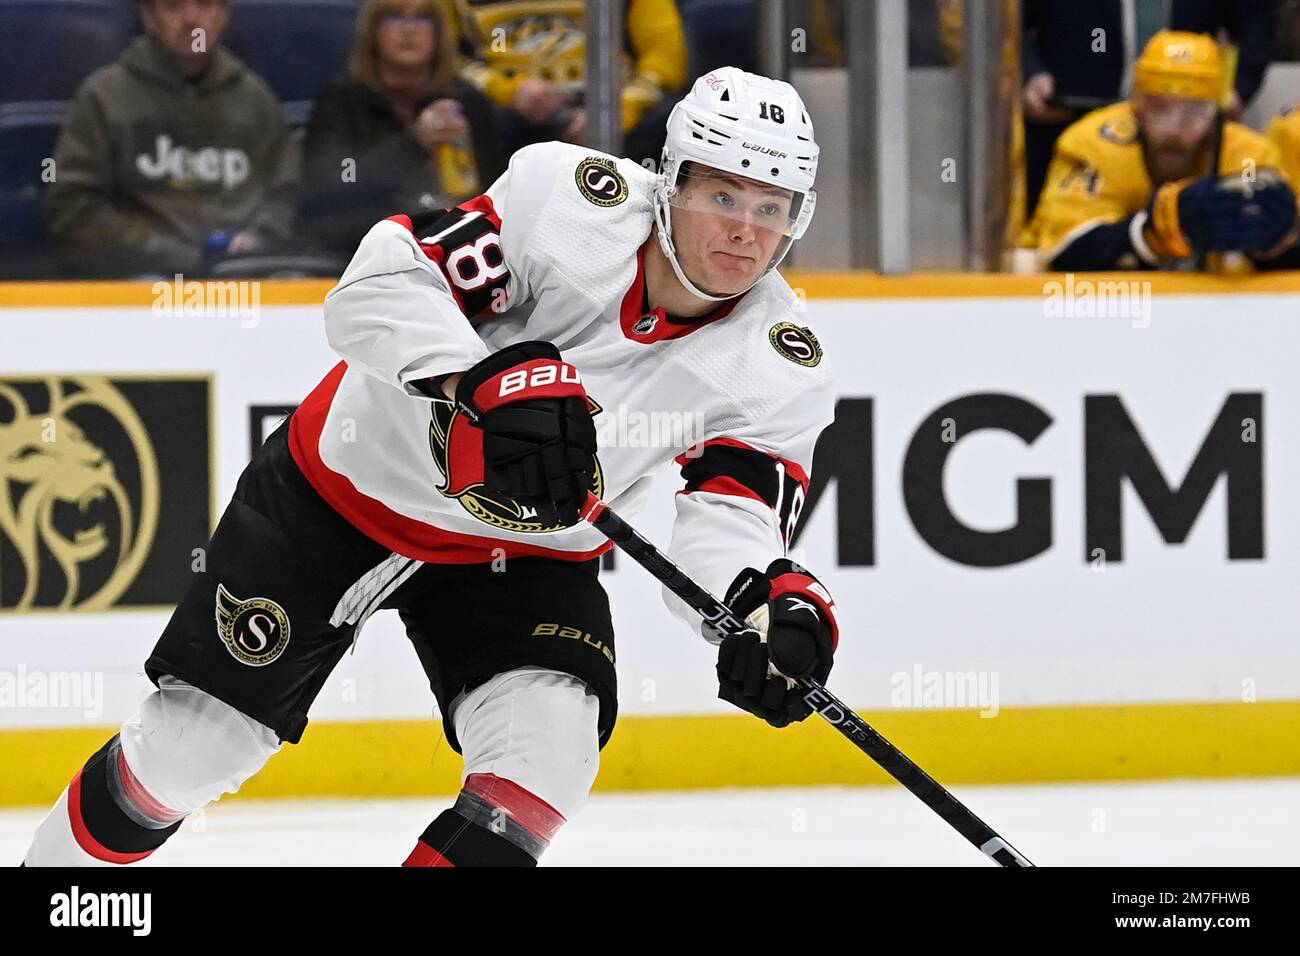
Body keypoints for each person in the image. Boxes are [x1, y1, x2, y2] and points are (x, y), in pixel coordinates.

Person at [23, 66, 838, 867]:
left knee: (546, 759)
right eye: (721, 197)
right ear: (668, 184)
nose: (745, 232)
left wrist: (762, 605)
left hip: (524, 552)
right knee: (190, 750)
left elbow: (731, 516)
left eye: (773, 209)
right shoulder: (566, 204)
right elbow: (377, 284)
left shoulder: (778, 361)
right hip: (341, 493)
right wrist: (474, 381)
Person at [44, 0, 299, 278]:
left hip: (245, 275)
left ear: (224, 14)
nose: (191, 19)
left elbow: (286, 192)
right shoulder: (104, 96)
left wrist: (257, 239)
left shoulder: (255, 98)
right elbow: (72, 207)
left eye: (204, 4)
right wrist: (167, 253)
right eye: (173, 5)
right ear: (149, 16)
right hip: (140, 279)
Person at [1025, 30, 1299, 272]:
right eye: (1160, 108)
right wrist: (1160, 231)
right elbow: (1063, 249)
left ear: (1219, 114)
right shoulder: (1093, 143)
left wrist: (1277, 240)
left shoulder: (1249, 156)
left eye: (1194, 113)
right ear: (1138, 105)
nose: (1173, 130)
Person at [302, 0, 507, 258]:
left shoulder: (467, 101)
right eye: (394, 16)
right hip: (358, 254)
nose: (409, 29)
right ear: (372, 30)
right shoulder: (342, 101)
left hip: (455, 258)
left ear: (439, 31)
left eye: (422, 18)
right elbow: (328, 191)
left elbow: (498, 195)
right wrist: (414, 143)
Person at [448, 0, 689, 162]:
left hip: (618, 105)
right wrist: (503, 89)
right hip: (506, 111)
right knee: (458, 114)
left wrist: (624, 106)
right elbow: (444, 58)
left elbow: (665, 56)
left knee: (679, 119)